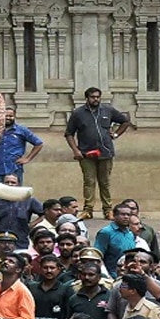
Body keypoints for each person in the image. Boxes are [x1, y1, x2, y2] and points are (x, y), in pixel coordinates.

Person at [63, 86, 130, 221]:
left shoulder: (107, 110)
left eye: (98, 97)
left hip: (105, 152)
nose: (96, 99)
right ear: (87, 98)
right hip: (86, 153)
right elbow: (69, 133)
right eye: (93, 97)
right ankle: (88, 210)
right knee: (89, 181)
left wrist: (116, 134)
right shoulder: (78, 113)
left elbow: (125, 121)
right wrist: (75, 150)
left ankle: (108, 210)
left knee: (105, 182)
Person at [0, 176, 43, 250]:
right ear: (2, 184)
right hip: (0, 242)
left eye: (13, 182)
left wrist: (31, 225)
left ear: (18, 185)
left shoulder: (29, 201)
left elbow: (44, 214)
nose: (10, 184)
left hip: (21, 241)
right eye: (7, 182)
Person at [0, 107, 43, 184]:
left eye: (10, 116)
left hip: (14, 169)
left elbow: (39, 143)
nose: (8, 118)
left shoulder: (21, 130)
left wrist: (27, 159)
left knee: (15, 194)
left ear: (14, 117)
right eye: (6, 115)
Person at [94, 204, 136, 277]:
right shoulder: (106, 232)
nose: (126, 217)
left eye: (128, 215)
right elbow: (97, 256)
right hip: (112, 276)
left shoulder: (130, 233)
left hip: (129, 275)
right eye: (123, 214)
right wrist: (106, 275)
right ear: (114, 216)